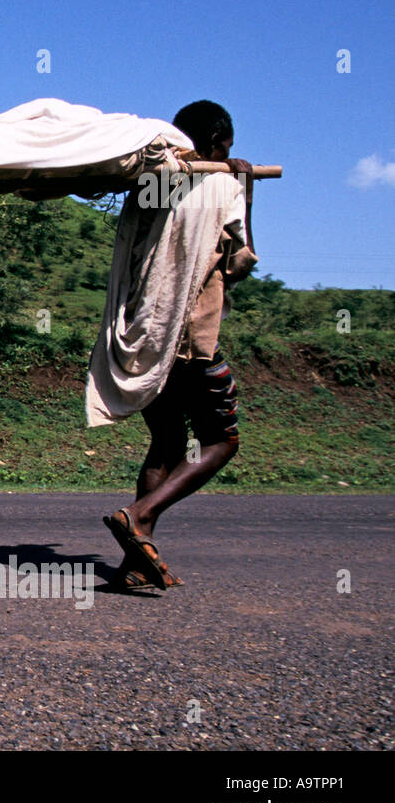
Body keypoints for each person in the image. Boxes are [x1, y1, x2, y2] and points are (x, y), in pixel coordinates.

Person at [86, 100, 257, 591]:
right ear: (218, 144)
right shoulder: (222, 184)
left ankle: (137, 560)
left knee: (164, 442)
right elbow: (238, 263)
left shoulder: (151, 185)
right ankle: (139, 516)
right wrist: (243, 186)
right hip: (189, 342)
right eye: (227, 147)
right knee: (222, 441)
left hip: (146, 334)